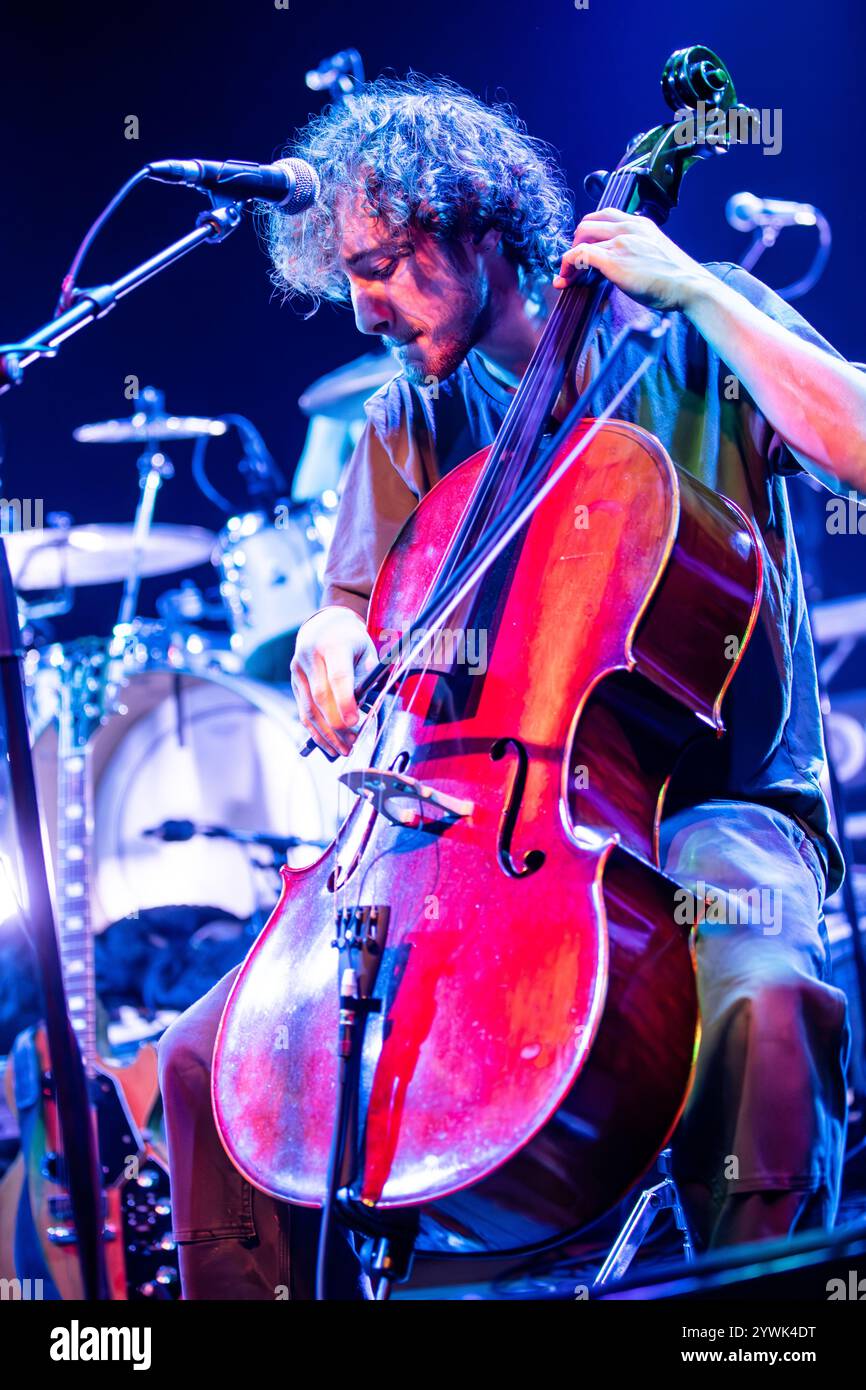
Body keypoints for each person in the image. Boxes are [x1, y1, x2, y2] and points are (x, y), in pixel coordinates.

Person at [158, 75, 864, 1298]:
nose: (365, 308)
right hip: (477, 827)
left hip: (710, 810)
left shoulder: (690, 330)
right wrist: (329, 632)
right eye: (347, 279)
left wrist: (699, 292)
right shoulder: (411, 416)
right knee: (204, 1060)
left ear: (476, 223)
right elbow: (349, 605)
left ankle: (755, 1327)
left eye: (382, 266)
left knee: (764, 1006)